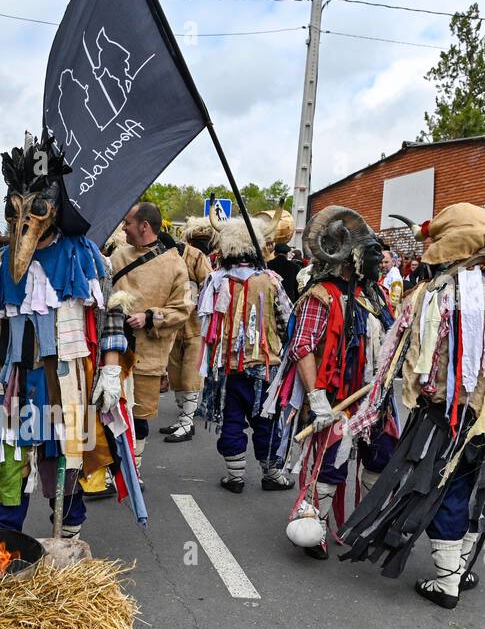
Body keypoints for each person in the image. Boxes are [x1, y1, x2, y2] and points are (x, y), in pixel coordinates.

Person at [338, 201, 485, 608]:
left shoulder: (431, 296)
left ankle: (447, 581)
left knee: (443, 487)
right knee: (479, 488)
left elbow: (406, 358)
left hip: (443, 416)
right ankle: (460, 568)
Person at [0, 133, 141, 538]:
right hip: (18, 381)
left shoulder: (83, 254)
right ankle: (5, 548)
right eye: (17, 209)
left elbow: (111, 315)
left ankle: (67, 547)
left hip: (68, 380)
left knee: (68, 460)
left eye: (36, 208)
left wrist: (109, 370)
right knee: (8, 461)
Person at [262, 206, 395, 559]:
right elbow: (302, 346)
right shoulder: (321, 296)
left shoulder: (376, 295)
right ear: (349, 256)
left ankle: (367, 525)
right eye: (369, 250)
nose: (378, 257)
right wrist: (317, 398)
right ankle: (314, 524)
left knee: (380, 460)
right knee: (330, 465)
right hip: (335, 399)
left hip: (373, 399)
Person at [198, 215, 293, 493]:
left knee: (232, 418)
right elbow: (288, 320)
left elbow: (202, 320)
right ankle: (271, 474)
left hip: (226, 369)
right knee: (266, 421)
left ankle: (235, 476)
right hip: (264, 366)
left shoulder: (214, 280)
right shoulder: (271, 280)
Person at [108, 202, 193, 478]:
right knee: (108, 411)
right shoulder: (117, 257)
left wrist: (149, 316)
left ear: (144, 226)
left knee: (139, 416)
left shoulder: (174, 264)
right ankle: (108, 473)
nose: (123, 227)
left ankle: (134, 472)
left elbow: (182, 310)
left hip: (148, 355)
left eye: (128, 223)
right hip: (112, 352)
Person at [160, 216, 213, 443]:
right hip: (172, 328)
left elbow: (210, 285)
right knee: (176, 375)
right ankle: (183, 418)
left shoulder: (195, 256)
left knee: (191, 375)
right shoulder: (160, 258)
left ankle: (187, 422)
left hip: (194, 326)